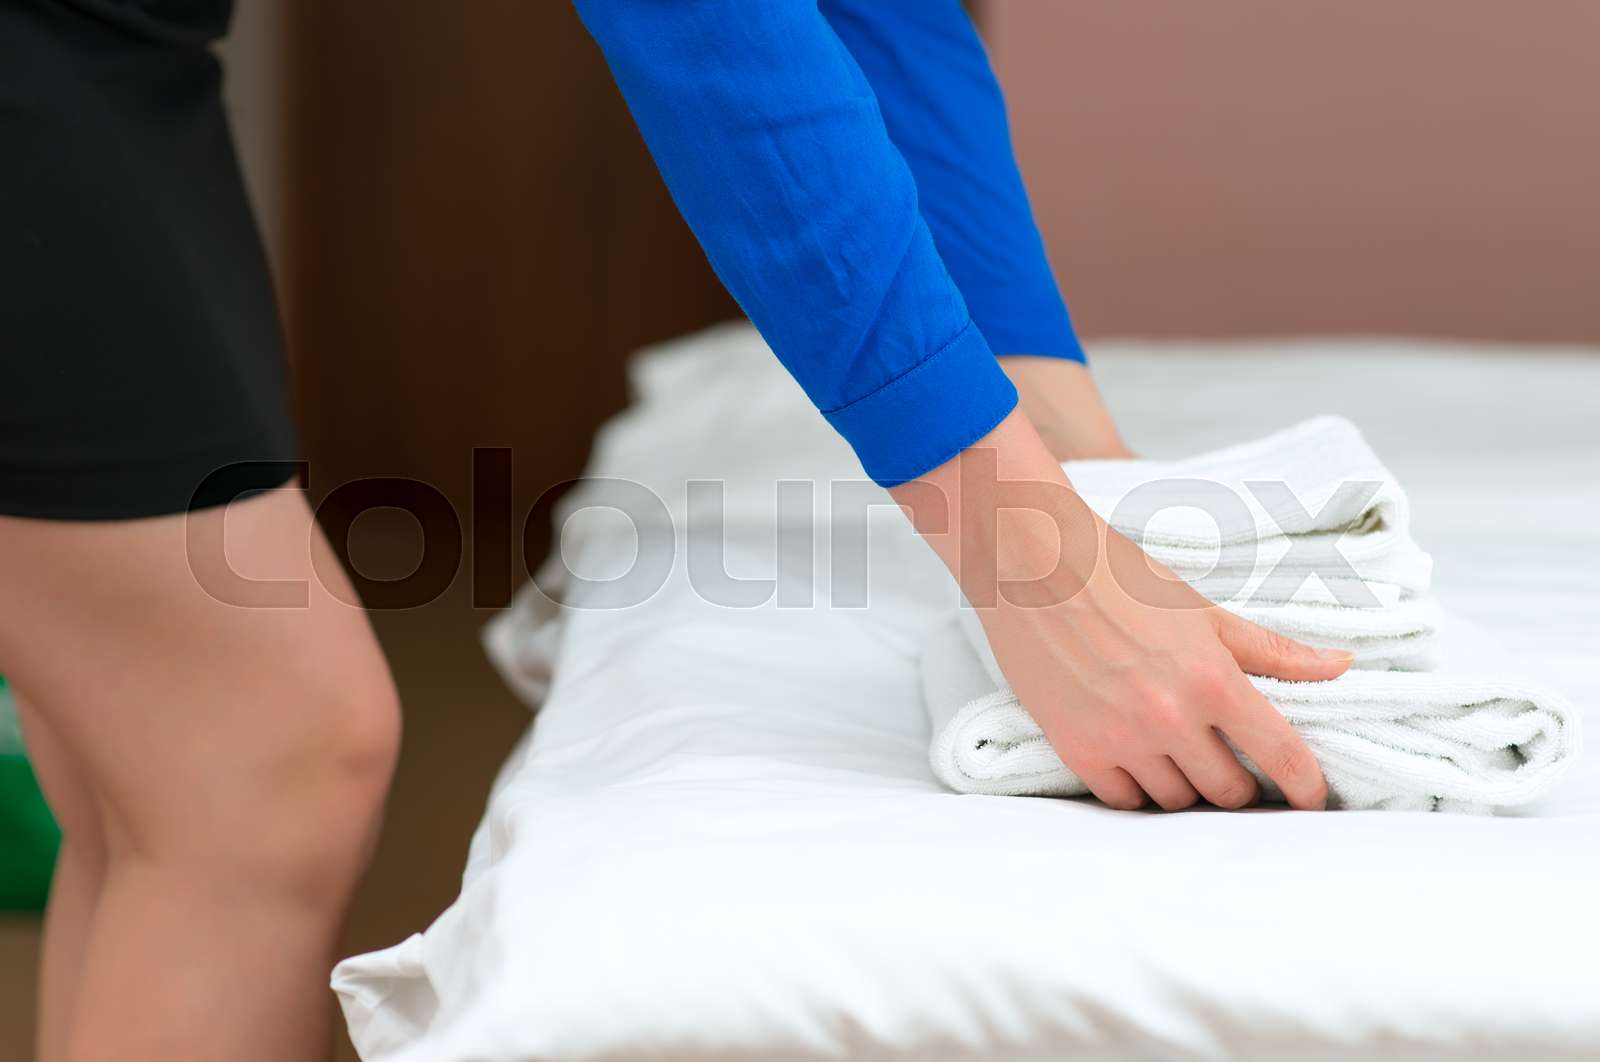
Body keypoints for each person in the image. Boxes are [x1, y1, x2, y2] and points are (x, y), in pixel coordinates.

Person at [0, 0, 1350, 1058]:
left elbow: (875, 9)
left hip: (111, 60)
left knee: (151, 791)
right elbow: (710, 17)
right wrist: (1030, 554)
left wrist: (1075, 466)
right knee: (262, 761)